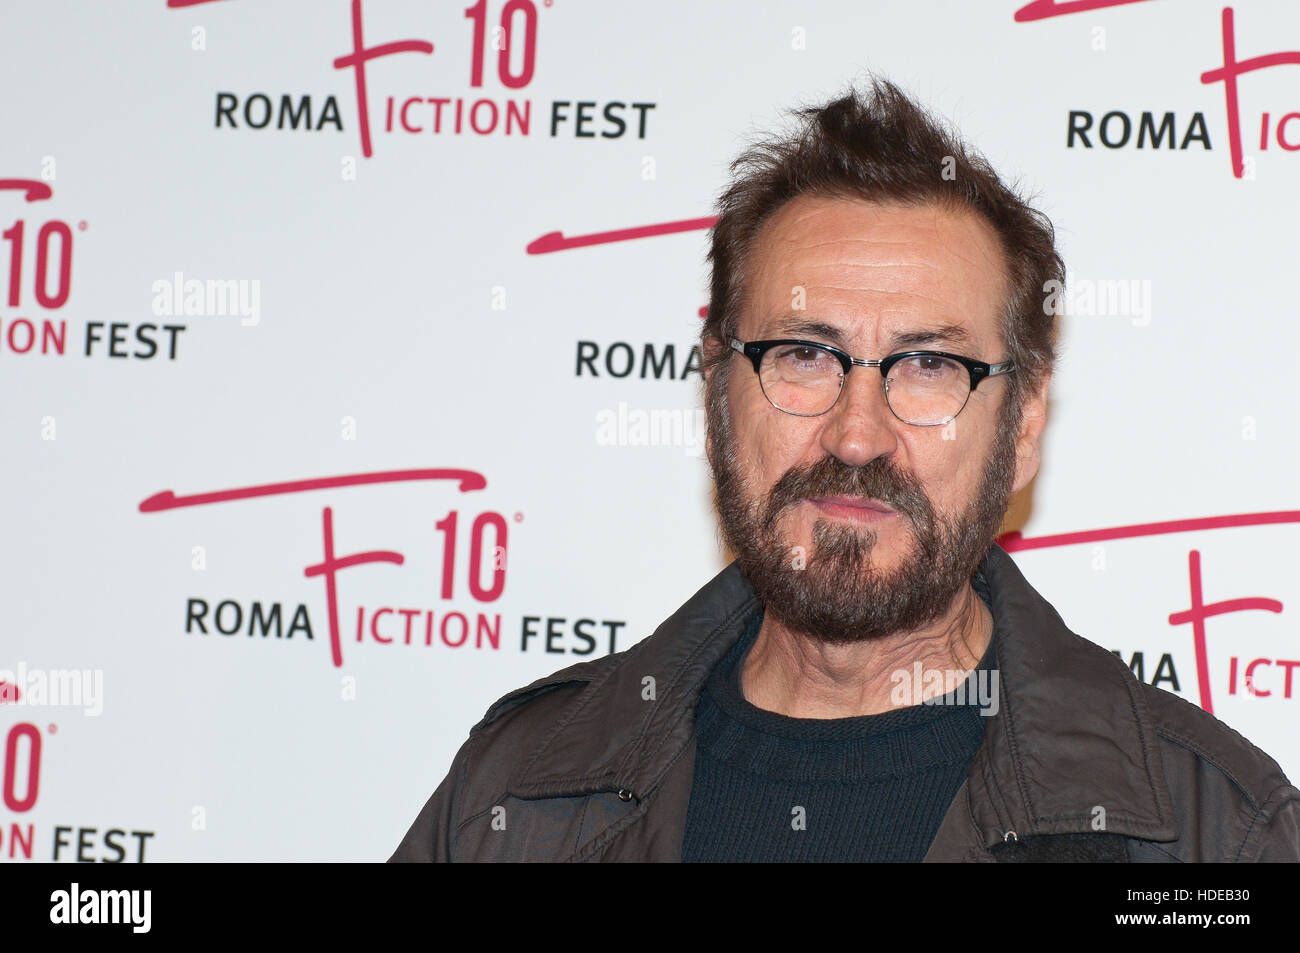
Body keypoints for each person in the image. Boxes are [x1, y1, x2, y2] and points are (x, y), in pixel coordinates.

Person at [390, 77, 1300, 862]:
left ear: (1021, 425)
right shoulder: (519, 794)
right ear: (716, 393)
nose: (857, 437)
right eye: (803, 355)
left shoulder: (1209, 833)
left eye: (930, 366)